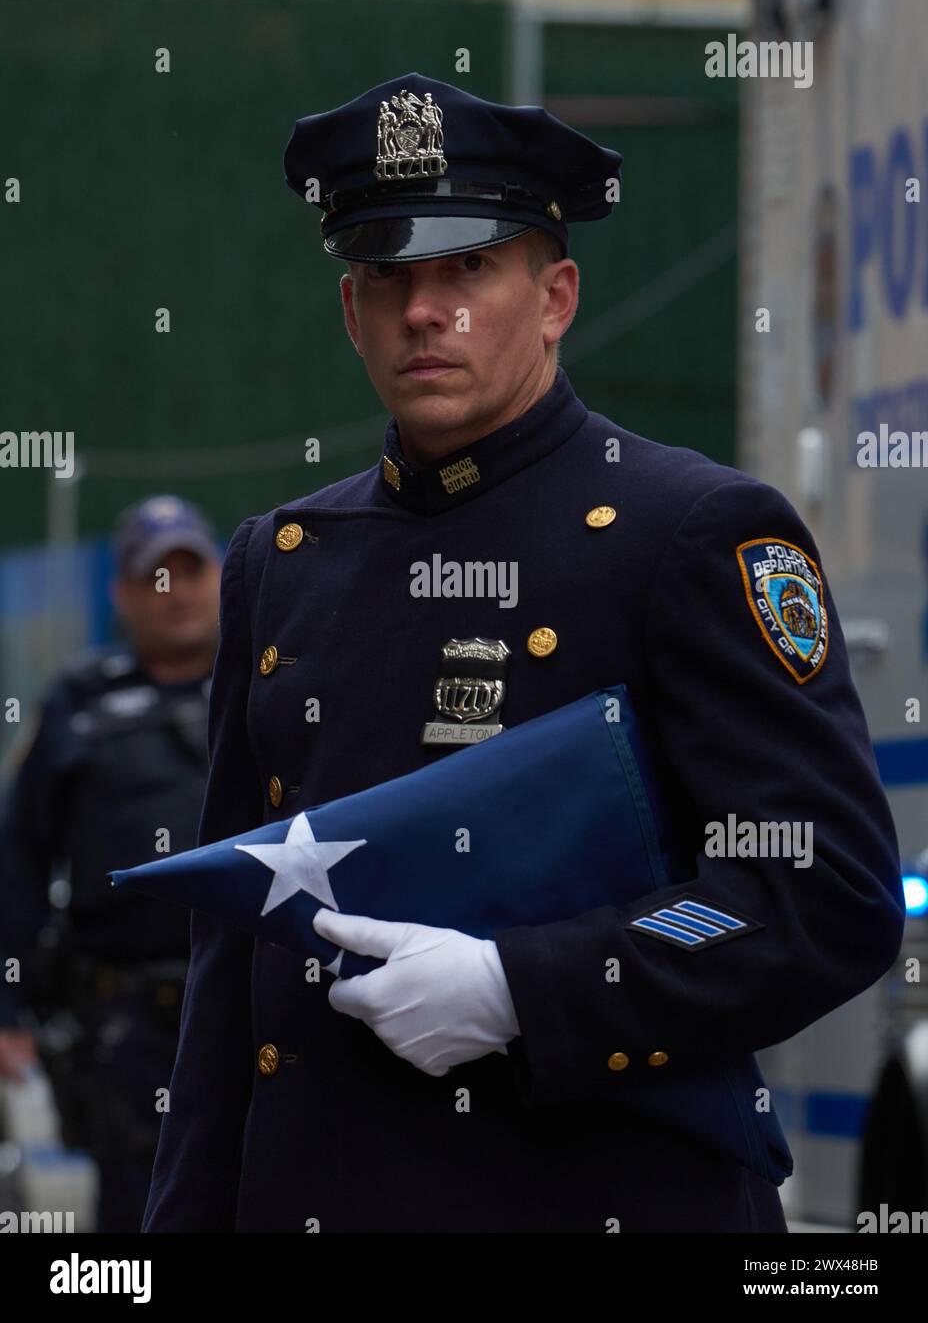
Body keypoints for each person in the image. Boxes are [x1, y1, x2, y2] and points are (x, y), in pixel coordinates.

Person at [141, 73, 904, 1234]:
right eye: (387, 276)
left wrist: (523, 987)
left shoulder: (687, 531)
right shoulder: (281, 559)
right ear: (351, 312)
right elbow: (228, 960)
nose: (422, 311)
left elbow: (820, 891)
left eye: (467, 269)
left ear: (555, 298)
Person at [0, 495, 221, 1231]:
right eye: (157, 576)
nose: (178, 591)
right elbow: (20, 858)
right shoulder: (79, 701)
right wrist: (7, 1007)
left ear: (221, 577)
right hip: (125, 1024)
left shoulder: (271, 690)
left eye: (192, 571)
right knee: (140, 1211)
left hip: (253, 1003)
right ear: (123, 593)